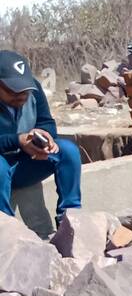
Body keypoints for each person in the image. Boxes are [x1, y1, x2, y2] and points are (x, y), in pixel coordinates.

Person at [0, 50, 81, 222]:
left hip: (25, 165)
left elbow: (46, 122)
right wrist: (18, 140)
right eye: (13, 91)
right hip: (2, 167)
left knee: (68, 151)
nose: (21, 96)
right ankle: (5, 227)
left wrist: (45, 134)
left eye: (24, 90)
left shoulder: (34, 90)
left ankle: (70, 220)